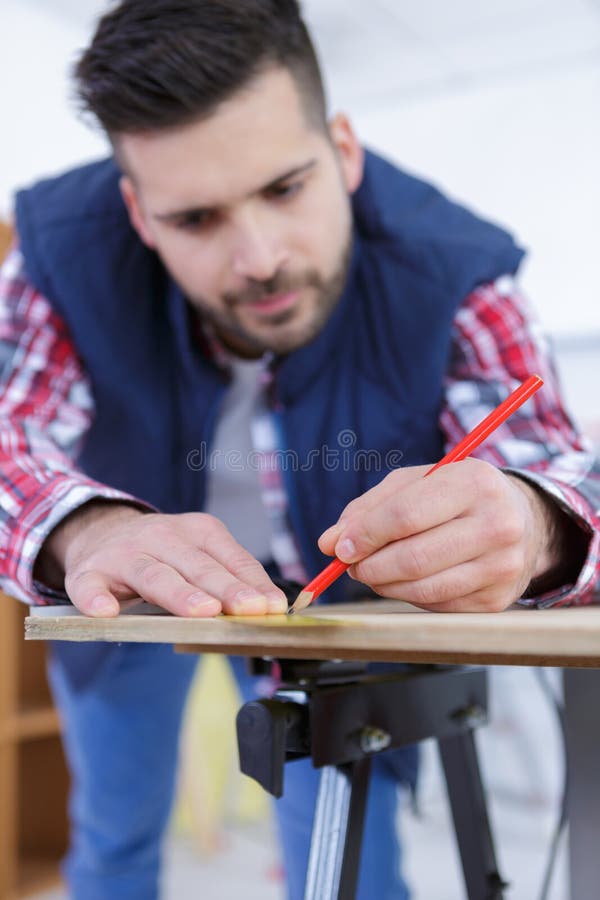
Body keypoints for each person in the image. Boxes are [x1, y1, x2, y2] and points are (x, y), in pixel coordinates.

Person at [1, 1, 599, 897]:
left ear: (345, 150)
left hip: (342, 616)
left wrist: (537, 524)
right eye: (196, 219)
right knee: (112, 836)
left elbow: (561, 465)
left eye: (284, 188)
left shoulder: (455, 262)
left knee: (352, 858)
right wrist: (84, 534)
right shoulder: (61, 249)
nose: (259, 259)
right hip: (131, 590)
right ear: (137, 210)